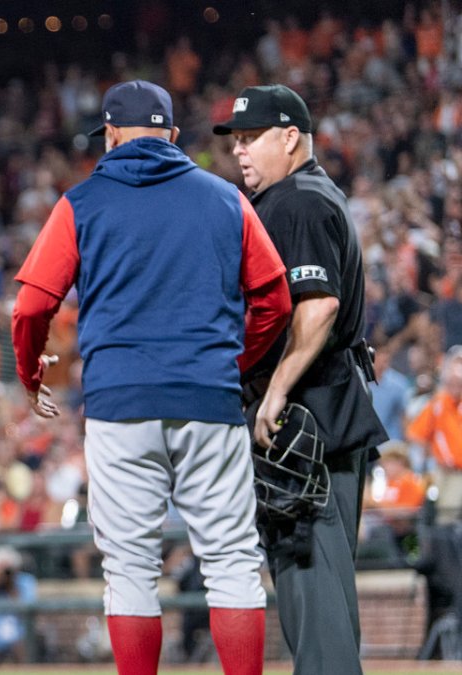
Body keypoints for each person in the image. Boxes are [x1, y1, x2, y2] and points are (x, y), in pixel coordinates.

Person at [12, 80, 291, 675]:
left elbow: (32, 306)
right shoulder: (224, 198)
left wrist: (30, 370)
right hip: (210, 400)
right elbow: (275, 298)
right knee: (233, 562)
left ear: (110, 135)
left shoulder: (80, 202)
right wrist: (238, 363)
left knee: (131, 569)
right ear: (170, 135)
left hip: (120, 407)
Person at [214, 84, 389, 675]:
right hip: (329, 410)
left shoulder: (297, 203)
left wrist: (278, 389)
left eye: (250, 138)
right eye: (235, 140)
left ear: (290, 137)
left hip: (306, 415)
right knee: (326, 593)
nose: (239, 151)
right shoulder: (309, 193)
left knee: (312, 590)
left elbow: (317, 308)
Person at [405, 346, 462, 524]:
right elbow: (415, 434)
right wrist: (430, 452)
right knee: (445, 519)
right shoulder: (439, 404)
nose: (455, 385)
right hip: (445, 471)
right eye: (452, 381)